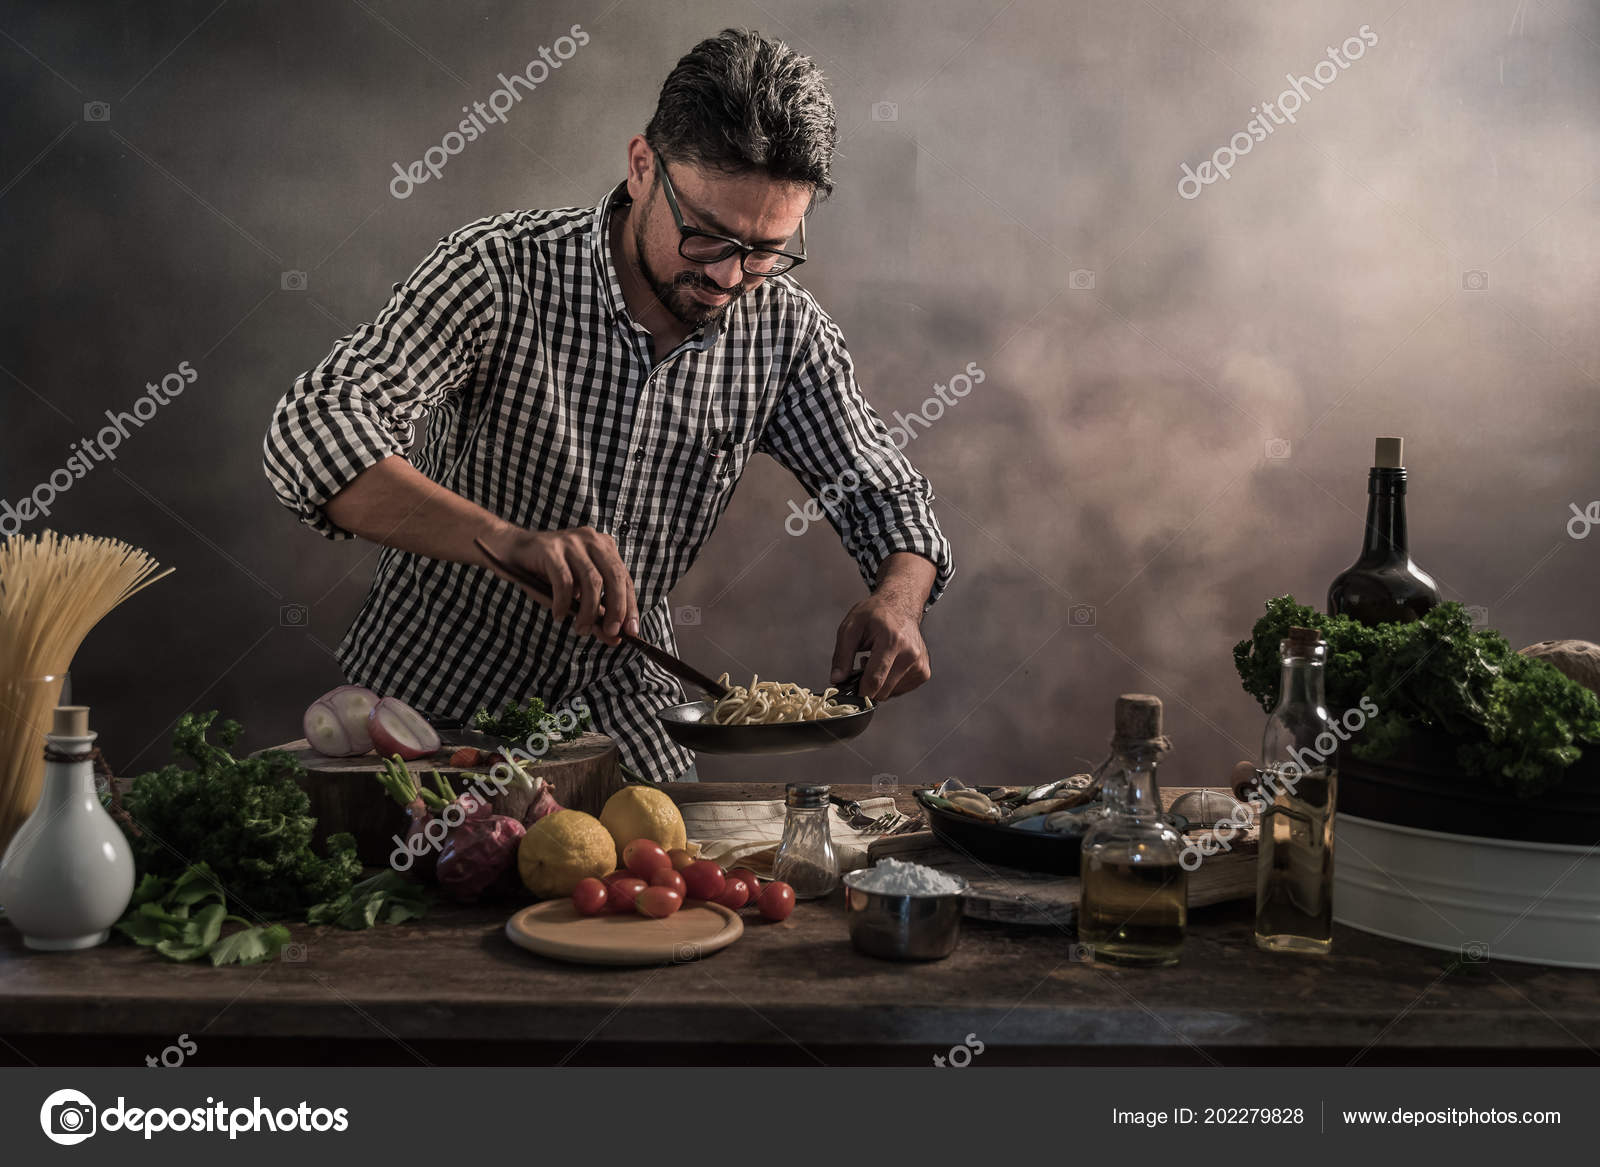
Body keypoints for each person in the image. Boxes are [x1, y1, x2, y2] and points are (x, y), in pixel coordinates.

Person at [263, 28, 953, 781]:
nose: (730, 277)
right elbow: (315, 429)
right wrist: (508, 541)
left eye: (766, 250)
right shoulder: (499, 271)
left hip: (623, 702)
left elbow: (886, 494)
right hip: (428, 701)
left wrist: (899, 599)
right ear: (640, 169)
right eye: (708, 237)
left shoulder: (784, 329)